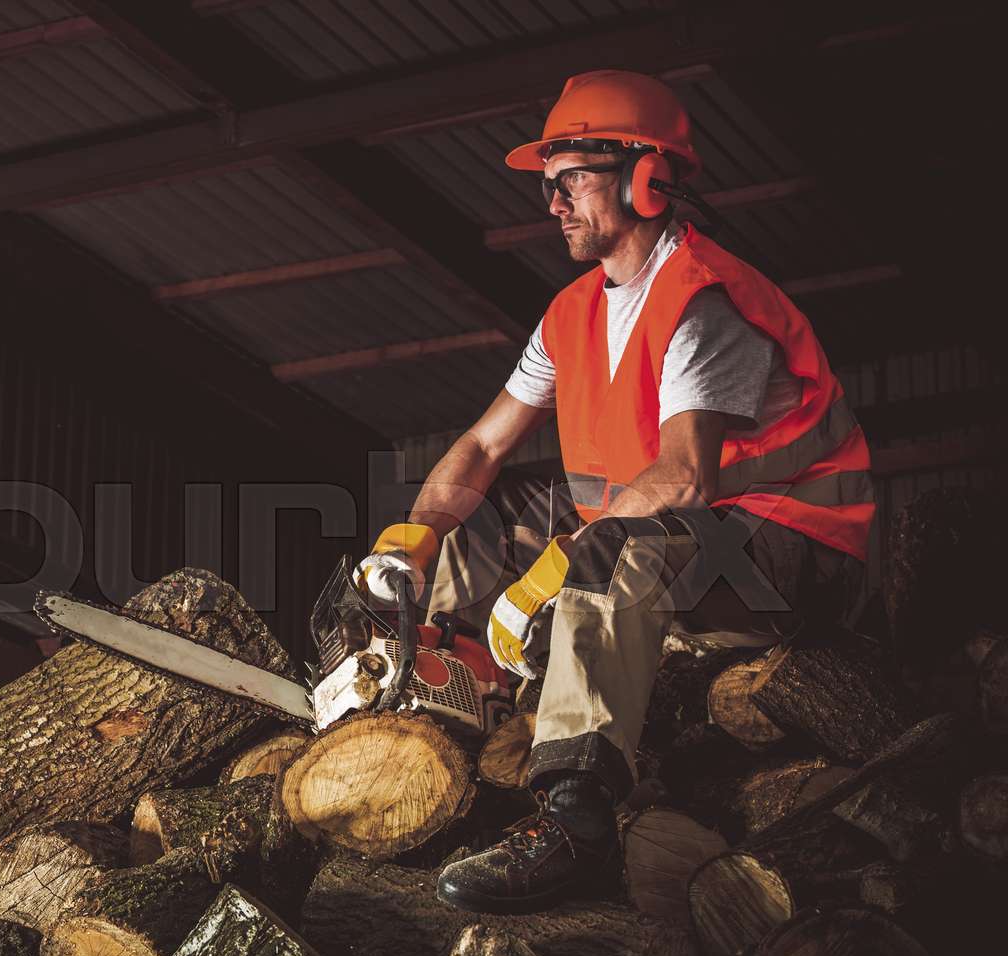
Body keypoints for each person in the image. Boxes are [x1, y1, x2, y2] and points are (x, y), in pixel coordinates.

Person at [354, 70, 873, 912]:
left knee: (599, 554)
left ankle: (574, 818)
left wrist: (556, 573)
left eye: (571, 180)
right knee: (485, 529)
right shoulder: (570, 314)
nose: (552, 203)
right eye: (548, 184)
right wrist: (410, 541)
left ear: (647, 179)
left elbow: (686, 475)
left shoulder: (702, 300)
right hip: (687, 545)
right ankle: (448, 688)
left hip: (797, 552)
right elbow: (484, 444)